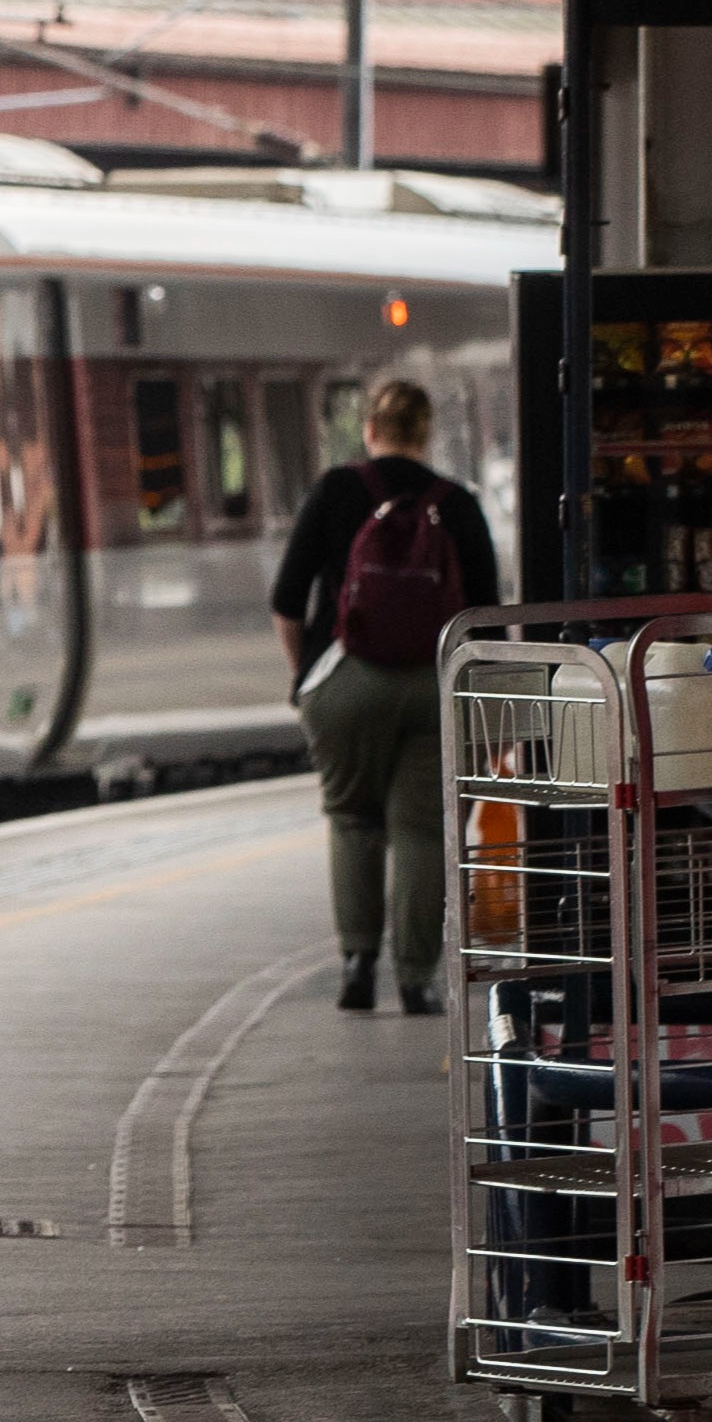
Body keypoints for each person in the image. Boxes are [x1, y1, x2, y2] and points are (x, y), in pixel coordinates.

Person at [271, 378, 500, 1016]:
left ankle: (356, 963)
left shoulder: (335, 491)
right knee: (423, 831)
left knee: (352, 820)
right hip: (433, 683)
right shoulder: (457, 504)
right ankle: (416, 978)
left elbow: (288, 602)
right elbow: (488, 624)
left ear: (370, 431)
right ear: (425, 435)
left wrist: (307, 677)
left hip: (344, 681)